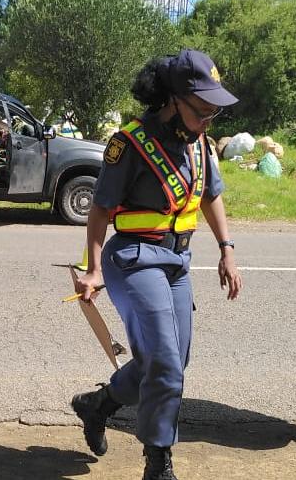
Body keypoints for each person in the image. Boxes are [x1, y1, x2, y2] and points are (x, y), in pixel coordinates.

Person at [71, 49, 243, 480]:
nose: (208, 121)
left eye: (213, 114)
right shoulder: (127, 144)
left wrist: (227, 249)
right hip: (133, 258)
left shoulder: (199, 143)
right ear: (171, 99)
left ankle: (99, 405)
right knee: (165, 363)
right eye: (202, 111)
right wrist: (92, 269)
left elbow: (210, 195)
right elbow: (99, 211)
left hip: (177, 261)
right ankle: (158, 460)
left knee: (167, 363)